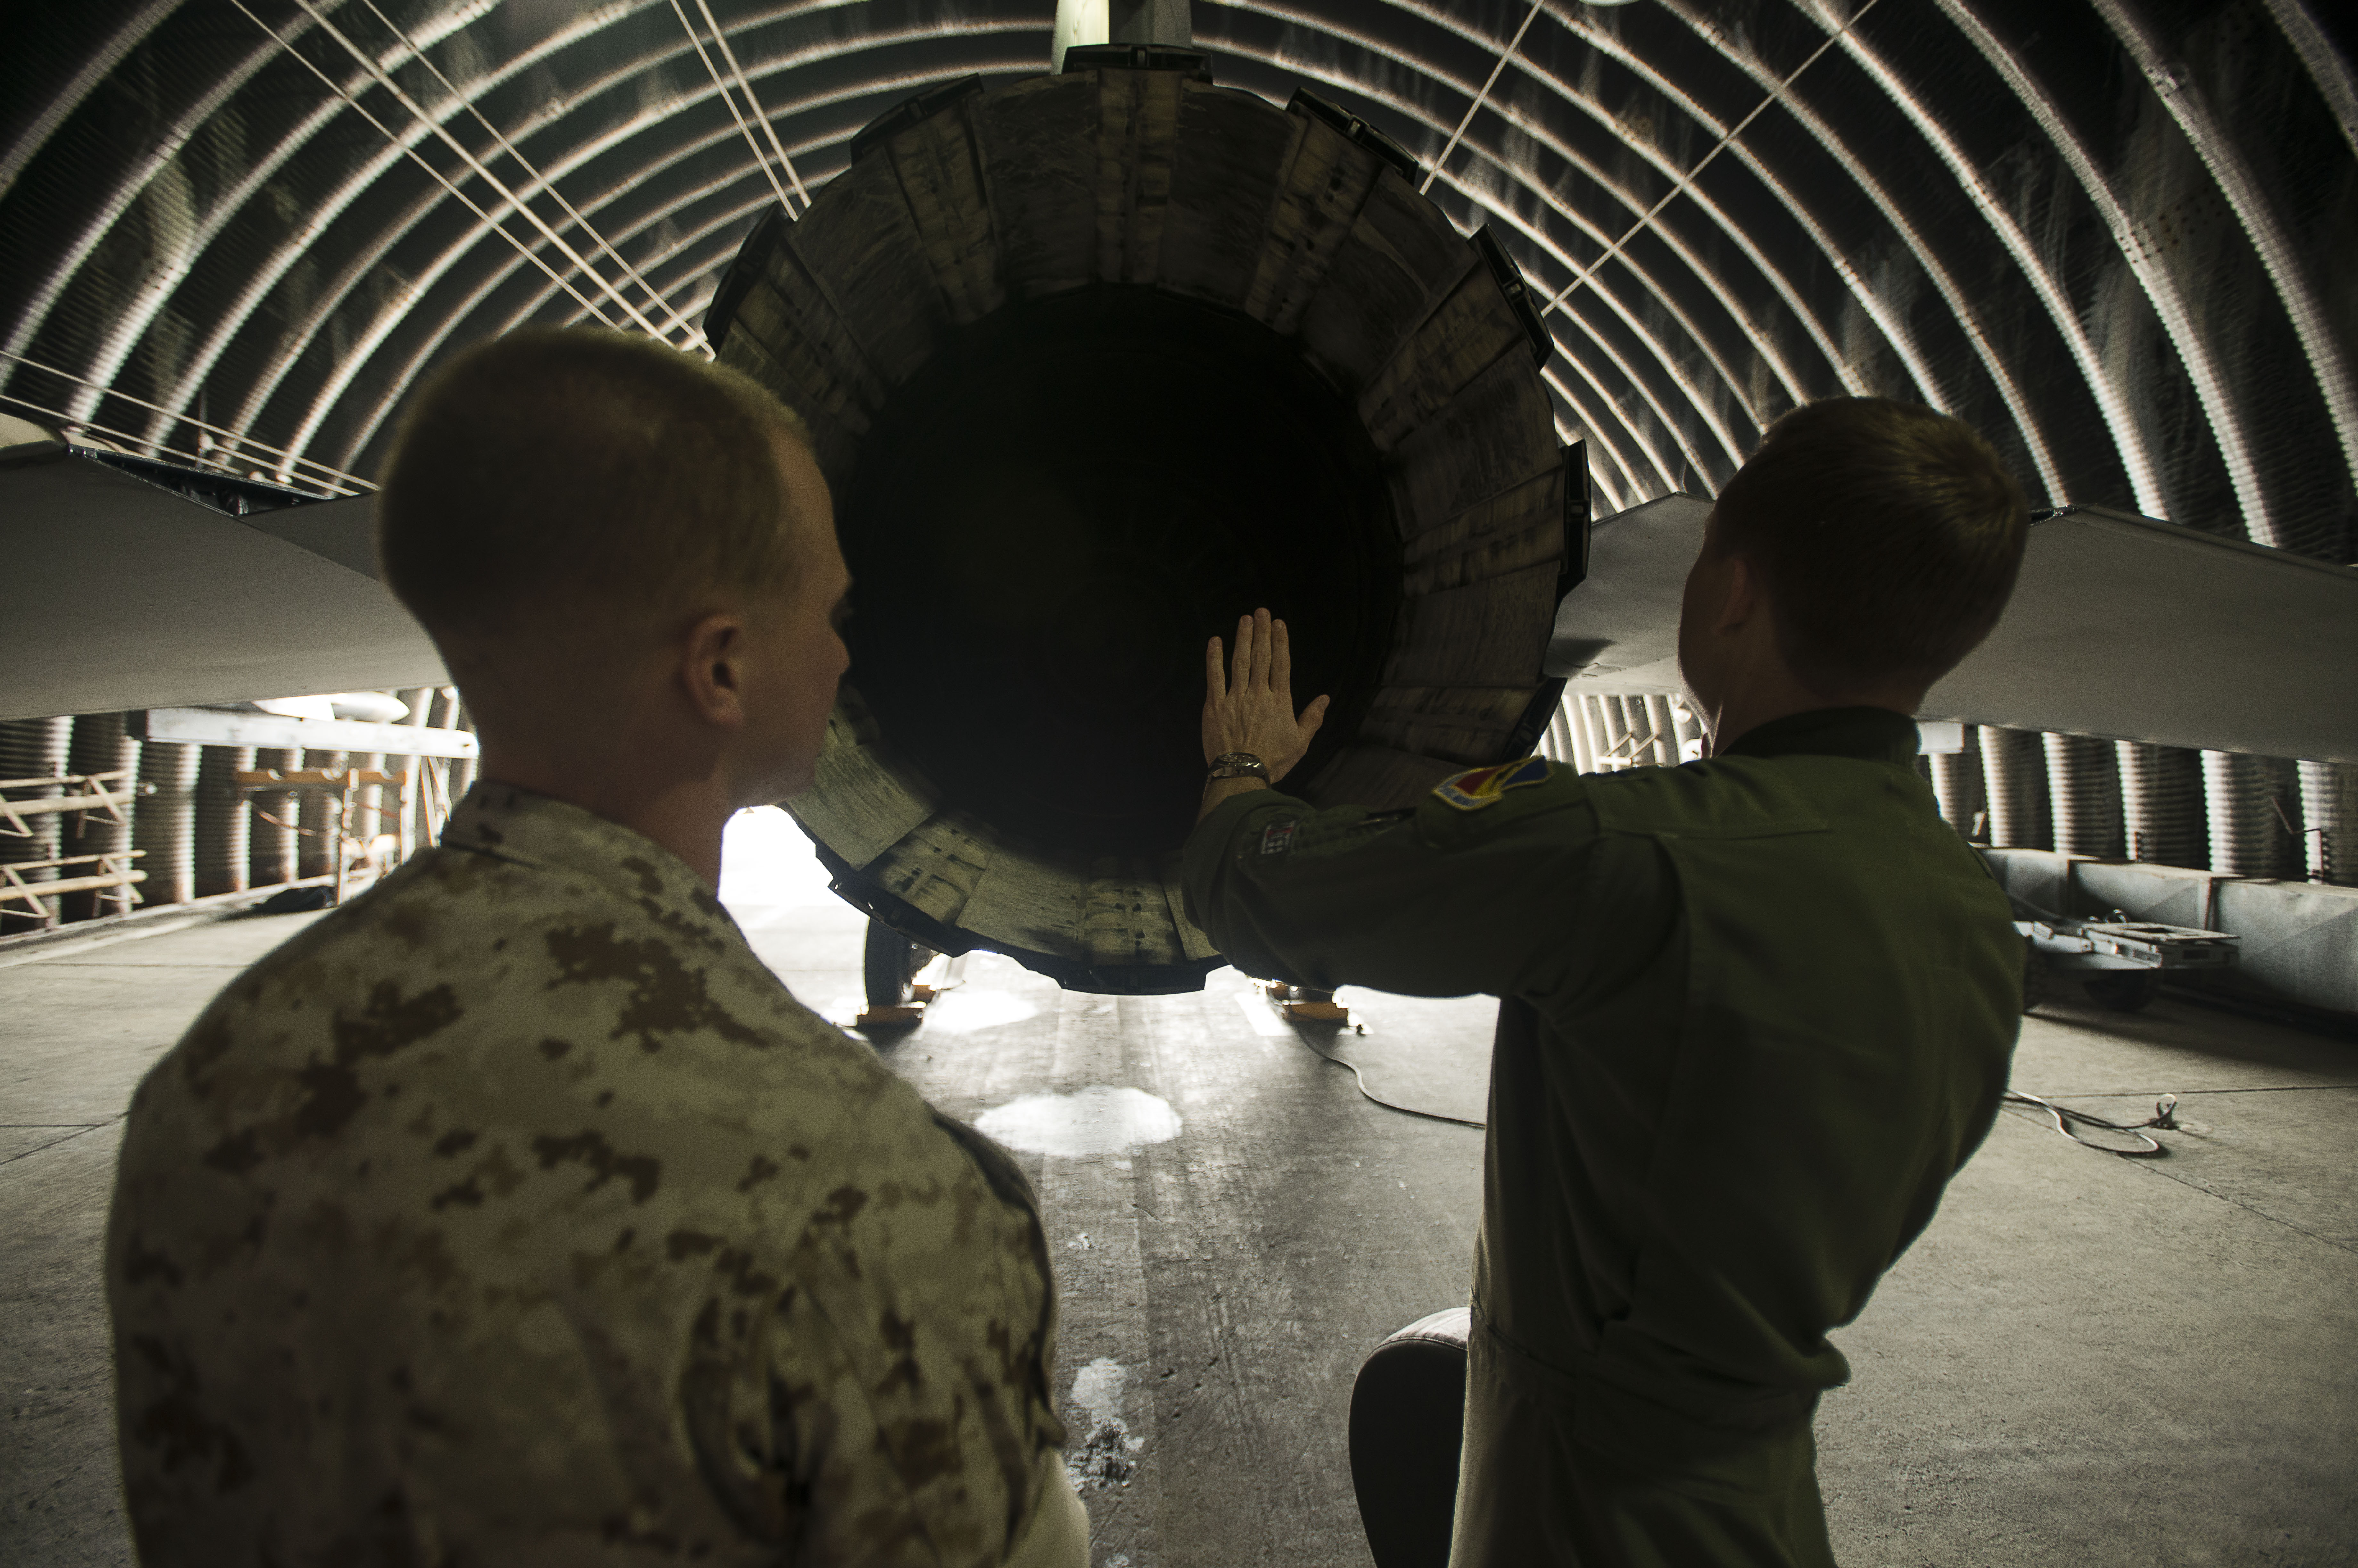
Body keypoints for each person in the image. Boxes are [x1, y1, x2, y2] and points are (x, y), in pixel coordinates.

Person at [106, 327, 1088, 1567]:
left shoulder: (207, 1090)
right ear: (720, 670)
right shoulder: (871, 1191)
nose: (843, 652)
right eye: (827, 613)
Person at [1183, 397, 2031, 1566]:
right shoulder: (1972, 913)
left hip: (1575, 1511)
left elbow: (1265, 893)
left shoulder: (1618, 852)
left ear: (1732, 591)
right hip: (1764, 1508)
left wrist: (1240, 769)